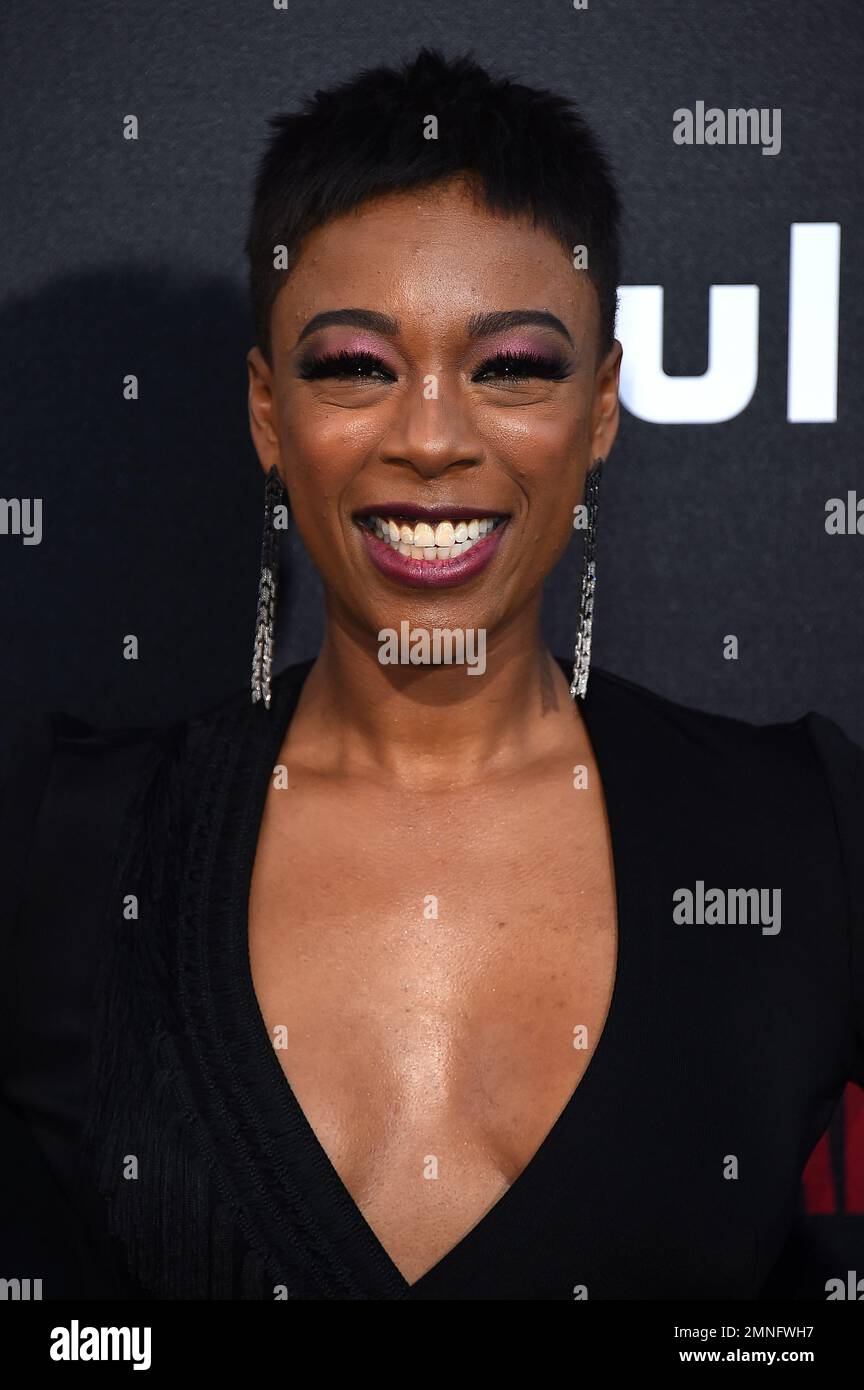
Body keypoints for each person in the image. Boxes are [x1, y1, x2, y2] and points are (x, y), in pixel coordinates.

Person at [1, 47, 862, 1301]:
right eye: (355, 366)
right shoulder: (62, 843)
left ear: (605, 405)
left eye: (512, 365)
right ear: (265, 414)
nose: (431, 435)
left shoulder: (801, 835)